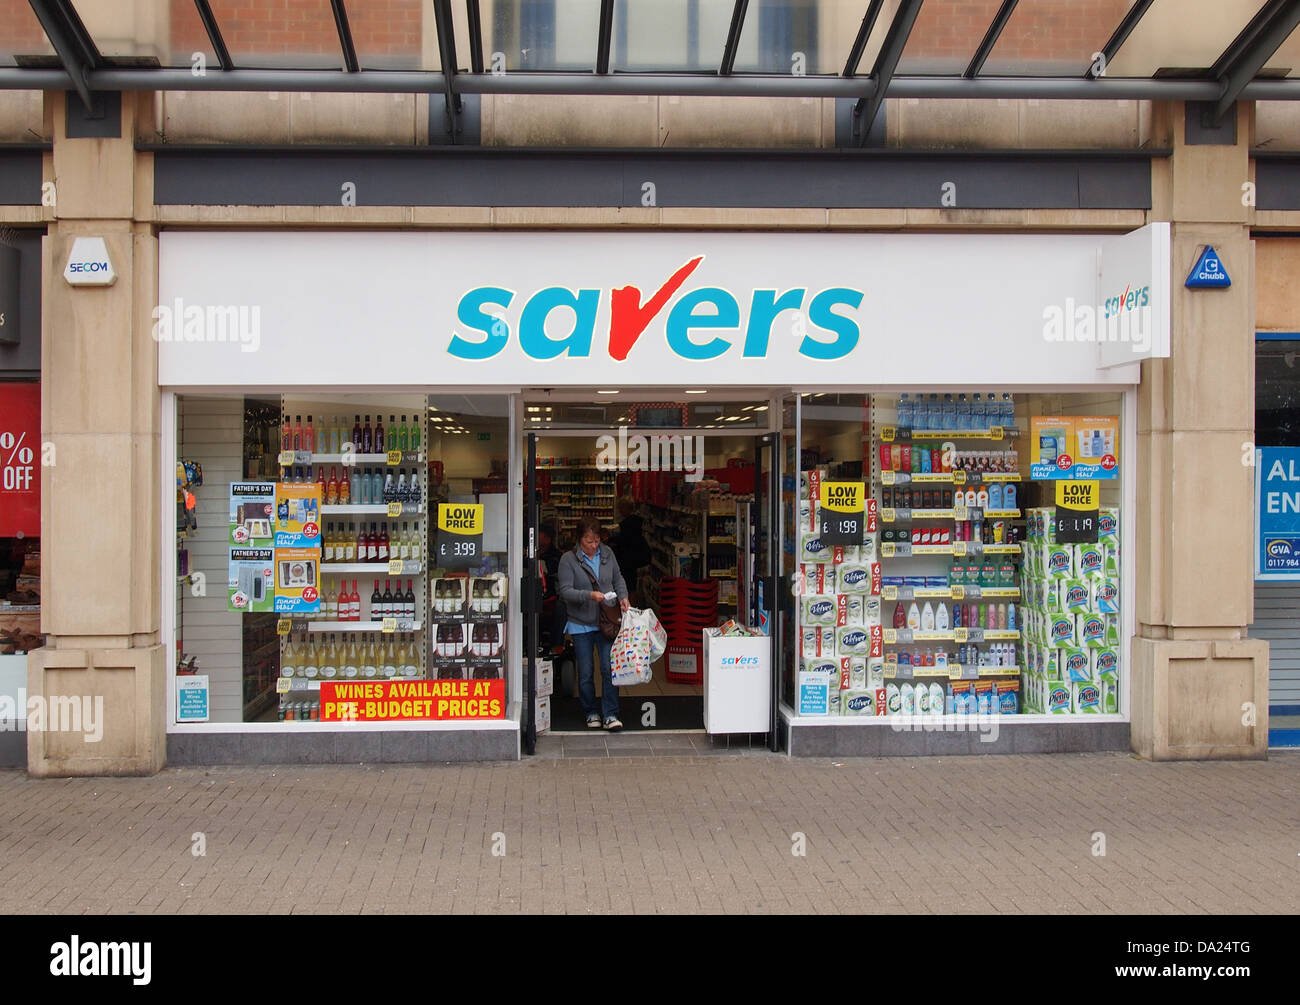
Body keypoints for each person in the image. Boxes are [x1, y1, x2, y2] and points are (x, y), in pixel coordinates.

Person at [558, 517, 630, 731]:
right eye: (589, 541)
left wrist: (623, 597)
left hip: (606, 622)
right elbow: (565, 591)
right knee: (587, 671)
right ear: (579, 539)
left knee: (609, 669)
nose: (593, 545)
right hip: (581, 623)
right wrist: (589, 595)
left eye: (597, 540)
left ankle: (610, 714)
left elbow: (618, 578)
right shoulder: (568, 560)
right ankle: (590, 711)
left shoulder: (607, 554)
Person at [537, 524, 565, 652]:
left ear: (548, 539)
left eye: (540, 534)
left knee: (561, 609)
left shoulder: (557, 556)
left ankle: (557, 646)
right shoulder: (526, 552)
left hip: (551, 596)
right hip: (532, 595)